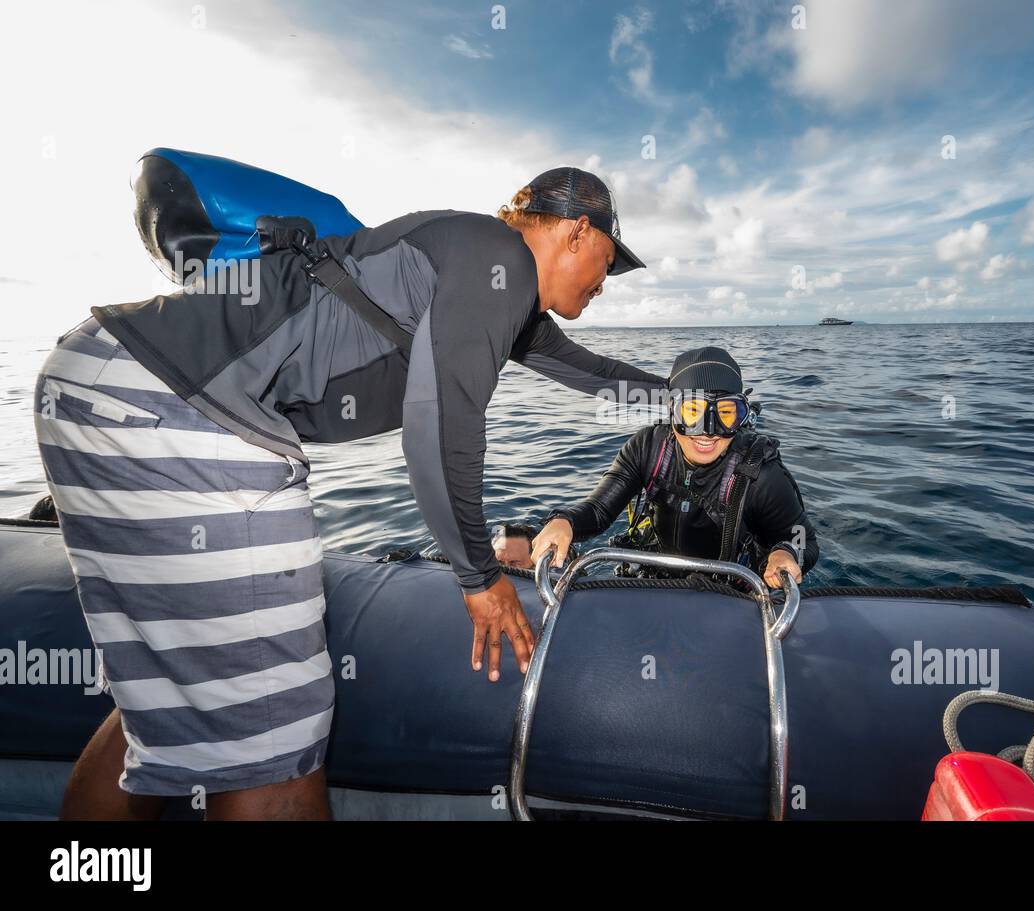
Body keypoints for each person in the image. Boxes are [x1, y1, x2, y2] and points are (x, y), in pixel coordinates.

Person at [32, 166, 665, 820]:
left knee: (164, 709)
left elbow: (595, 373)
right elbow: (439, 422)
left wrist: (686, 397)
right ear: (576, 230)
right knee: (277, 734)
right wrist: (479, 576)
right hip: (182, 409)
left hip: (99, 378)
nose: (605, 283)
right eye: (608, 261)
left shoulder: (481, 272)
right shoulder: (496, 255)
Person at [513, 347, 818, 587]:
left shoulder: (759, 474)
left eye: (725, 414)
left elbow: (804, 539)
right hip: (655, 573)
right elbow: (598, 510)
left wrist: (786, 553)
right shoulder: (648, 447)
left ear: (741, 415)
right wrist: (563, 521)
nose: (708, 431)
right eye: (692, 412)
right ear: (672, 411)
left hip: (728, 591)